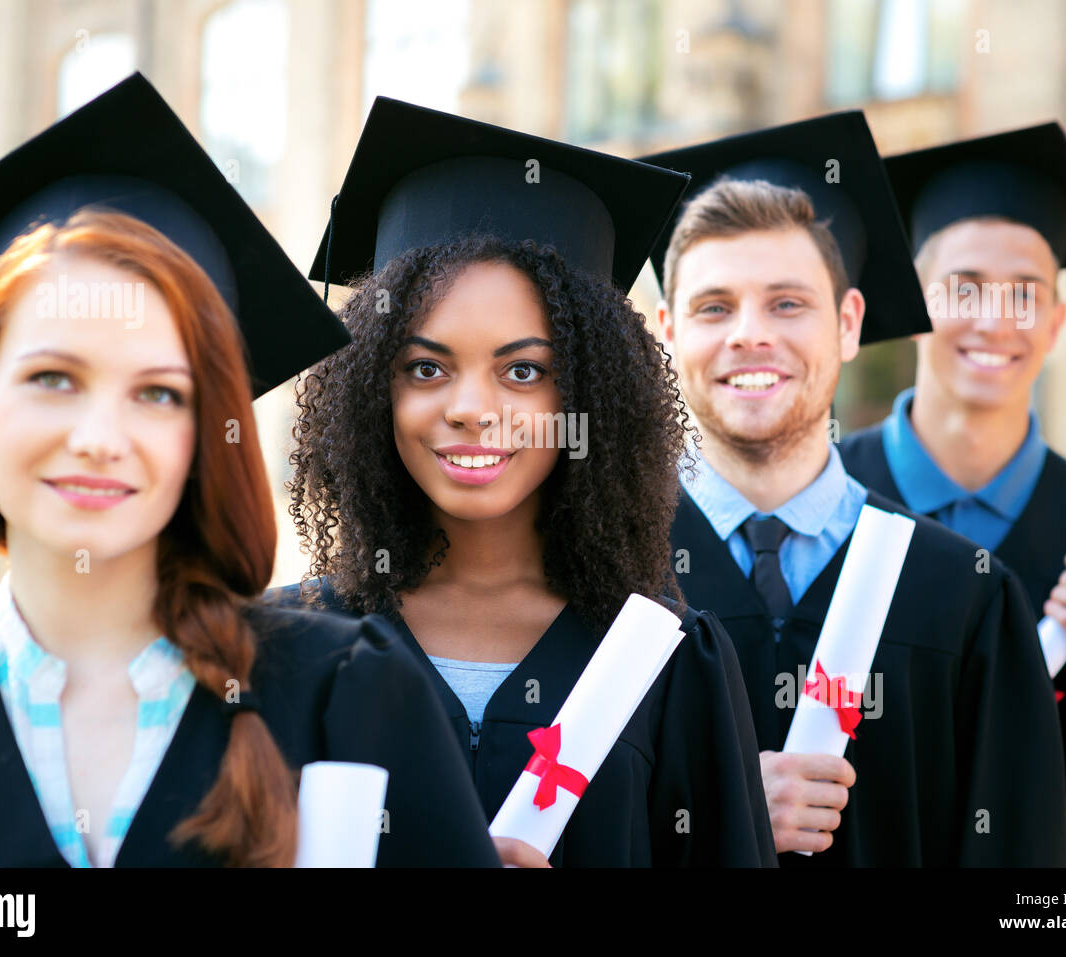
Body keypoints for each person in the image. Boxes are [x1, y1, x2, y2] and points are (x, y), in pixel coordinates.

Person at [0, 74, 499, 868]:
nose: (101, 437)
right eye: (53, 378)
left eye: (158, 393)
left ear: (208, 431)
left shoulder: (349, 697)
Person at [279, 96, 777, 867]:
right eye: (425, 367)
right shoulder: (287, 651)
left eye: (523, 370)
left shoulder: (669, 666)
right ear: (372, 386)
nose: (472, 410)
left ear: (589, 391)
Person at [641, 111, 1066, 865]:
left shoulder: (963, 597)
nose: (749, 333)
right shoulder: (601, 581)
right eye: (715, 306)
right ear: (668, 331)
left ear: (848, 324)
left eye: (787, 302)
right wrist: (719, 815)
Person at [839, 122, 1066, 867]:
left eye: (1026, 294)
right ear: (910, 305)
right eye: (964, 288)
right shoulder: (822, 505)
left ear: (1058, 323)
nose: (997, 319)